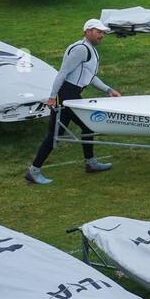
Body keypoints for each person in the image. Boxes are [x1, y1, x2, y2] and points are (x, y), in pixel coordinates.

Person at [26, 19, 120, 185]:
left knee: (87, 127)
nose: (102, 35)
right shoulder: (80, 49)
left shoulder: (89, 49)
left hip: (73, 95)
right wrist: (52, 96)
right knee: (56, 134)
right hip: (66, 96)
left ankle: (90, 163)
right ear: (88, 31)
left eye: (103, 32)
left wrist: (108, 90)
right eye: (99, 32)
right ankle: (34, 171)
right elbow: (63, 73)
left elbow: (89, 76)